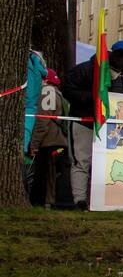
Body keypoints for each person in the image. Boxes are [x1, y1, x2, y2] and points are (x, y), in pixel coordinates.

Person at [61, 46, 123, 209]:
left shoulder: (122, 75)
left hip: (107, 127)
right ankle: (79, 200)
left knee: (103, 163)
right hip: (84, 122)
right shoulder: (85, 70)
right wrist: (93, 98)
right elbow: (67, 90)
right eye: (117, 73)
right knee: (81, 161)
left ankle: (99, 200)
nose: (119, 76)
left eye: (122, 74)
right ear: (110, 66)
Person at [27, 68, 73, 208]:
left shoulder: (46, 92)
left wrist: (34, 143)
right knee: (54, 175)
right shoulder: (59, 94)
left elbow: (43, 120)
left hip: (49, 142)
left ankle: (45, 204)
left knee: (46, 175)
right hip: (60, 141)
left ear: (44, 80)